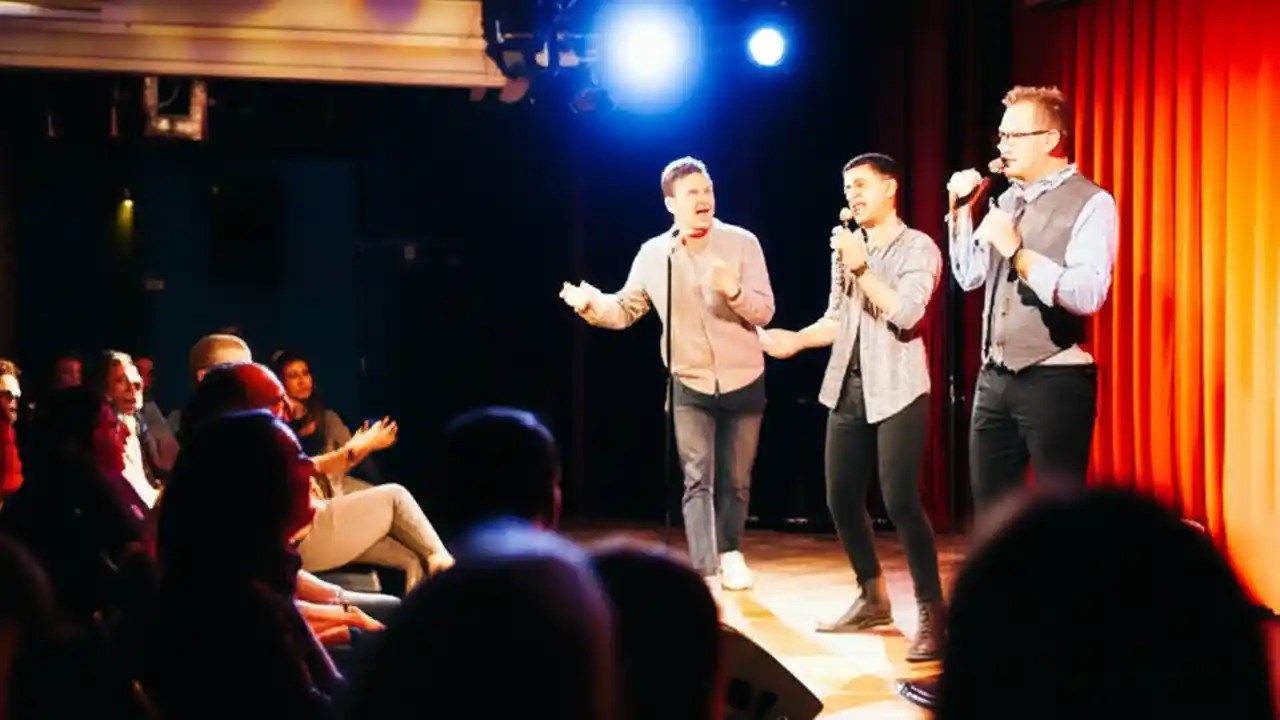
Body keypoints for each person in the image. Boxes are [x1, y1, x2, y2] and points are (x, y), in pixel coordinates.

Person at [760, 153, 946, 661]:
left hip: (900, 388)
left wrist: (862, 266)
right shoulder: (847, 251)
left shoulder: (918, 248)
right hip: (847, 386)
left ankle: (932, 610)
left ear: (890, 188)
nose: (853, 196)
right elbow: (837, 319)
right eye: (847, 188)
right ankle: (871, 595)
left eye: (862, 185)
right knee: (840, 498)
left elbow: (907, 313)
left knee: (902, 500)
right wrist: (795, 341)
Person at [559, 156, 775, 590]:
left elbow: (765, 310)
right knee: (698, 479)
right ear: (670, 204)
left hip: (744, 377)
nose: (703, 199)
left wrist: (732, 290)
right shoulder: (656, 253)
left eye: (707, 190)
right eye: (692, 193)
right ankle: (705, 570)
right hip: (688, 381)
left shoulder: (742, 243)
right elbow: (626, 310)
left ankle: (731, 550)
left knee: (735, 479)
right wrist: (591, 304)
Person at [946, 85, 1118, 516]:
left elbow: (1086, 294)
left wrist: (1018, 253)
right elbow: (969, 277)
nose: (1002, 147)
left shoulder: (1092, 201)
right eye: (1000, 137)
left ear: (1049, 140)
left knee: (1059, 520)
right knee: (992, 514)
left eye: (1013, 137)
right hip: (995, 378)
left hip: (1055, 380)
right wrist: (961, 211)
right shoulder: (1004, 200)